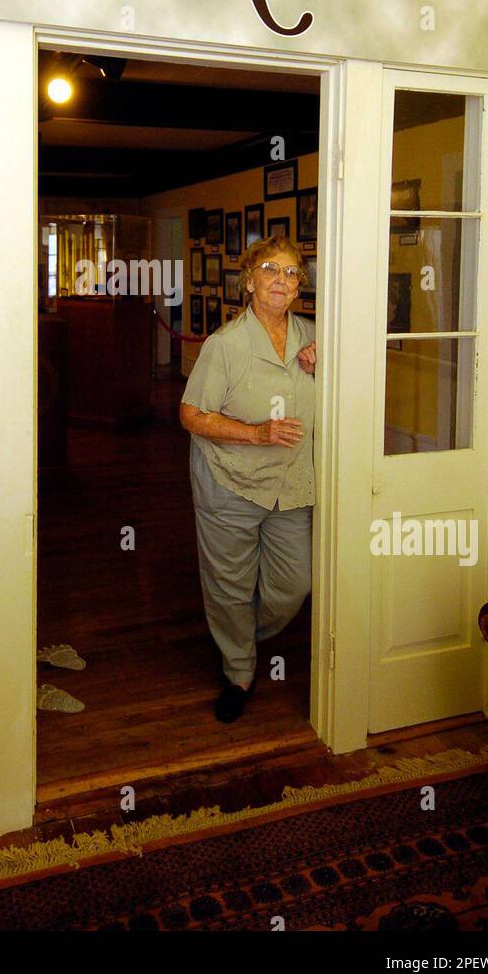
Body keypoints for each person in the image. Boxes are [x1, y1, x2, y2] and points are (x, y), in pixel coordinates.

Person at [179, 236, 317, 723]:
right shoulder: (226, 345)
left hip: (293, 484)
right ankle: (239, 669)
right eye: (270, 270)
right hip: (230, 480)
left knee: (294, 584)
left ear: (300, 285)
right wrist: (255, 433)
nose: (281, 280)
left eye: (292, 272)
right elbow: (192, 415)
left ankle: (236, 632)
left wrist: (330, 367)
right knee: (230, 584)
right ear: (250, 281)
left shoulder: (313, 339)